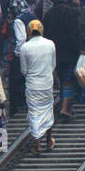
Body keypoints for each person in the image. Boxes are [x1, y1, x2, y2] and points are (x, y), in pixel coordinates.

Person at [21, 19, 58, 152]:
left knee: (34, 112)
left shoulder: (25, 47)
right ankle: (48, 140)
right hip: (47, 83)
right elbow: (53, 65)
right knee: (48, 111)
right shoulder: (50, 44)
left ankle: (37, 143)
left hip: (32, 85)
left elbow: (24, 70)